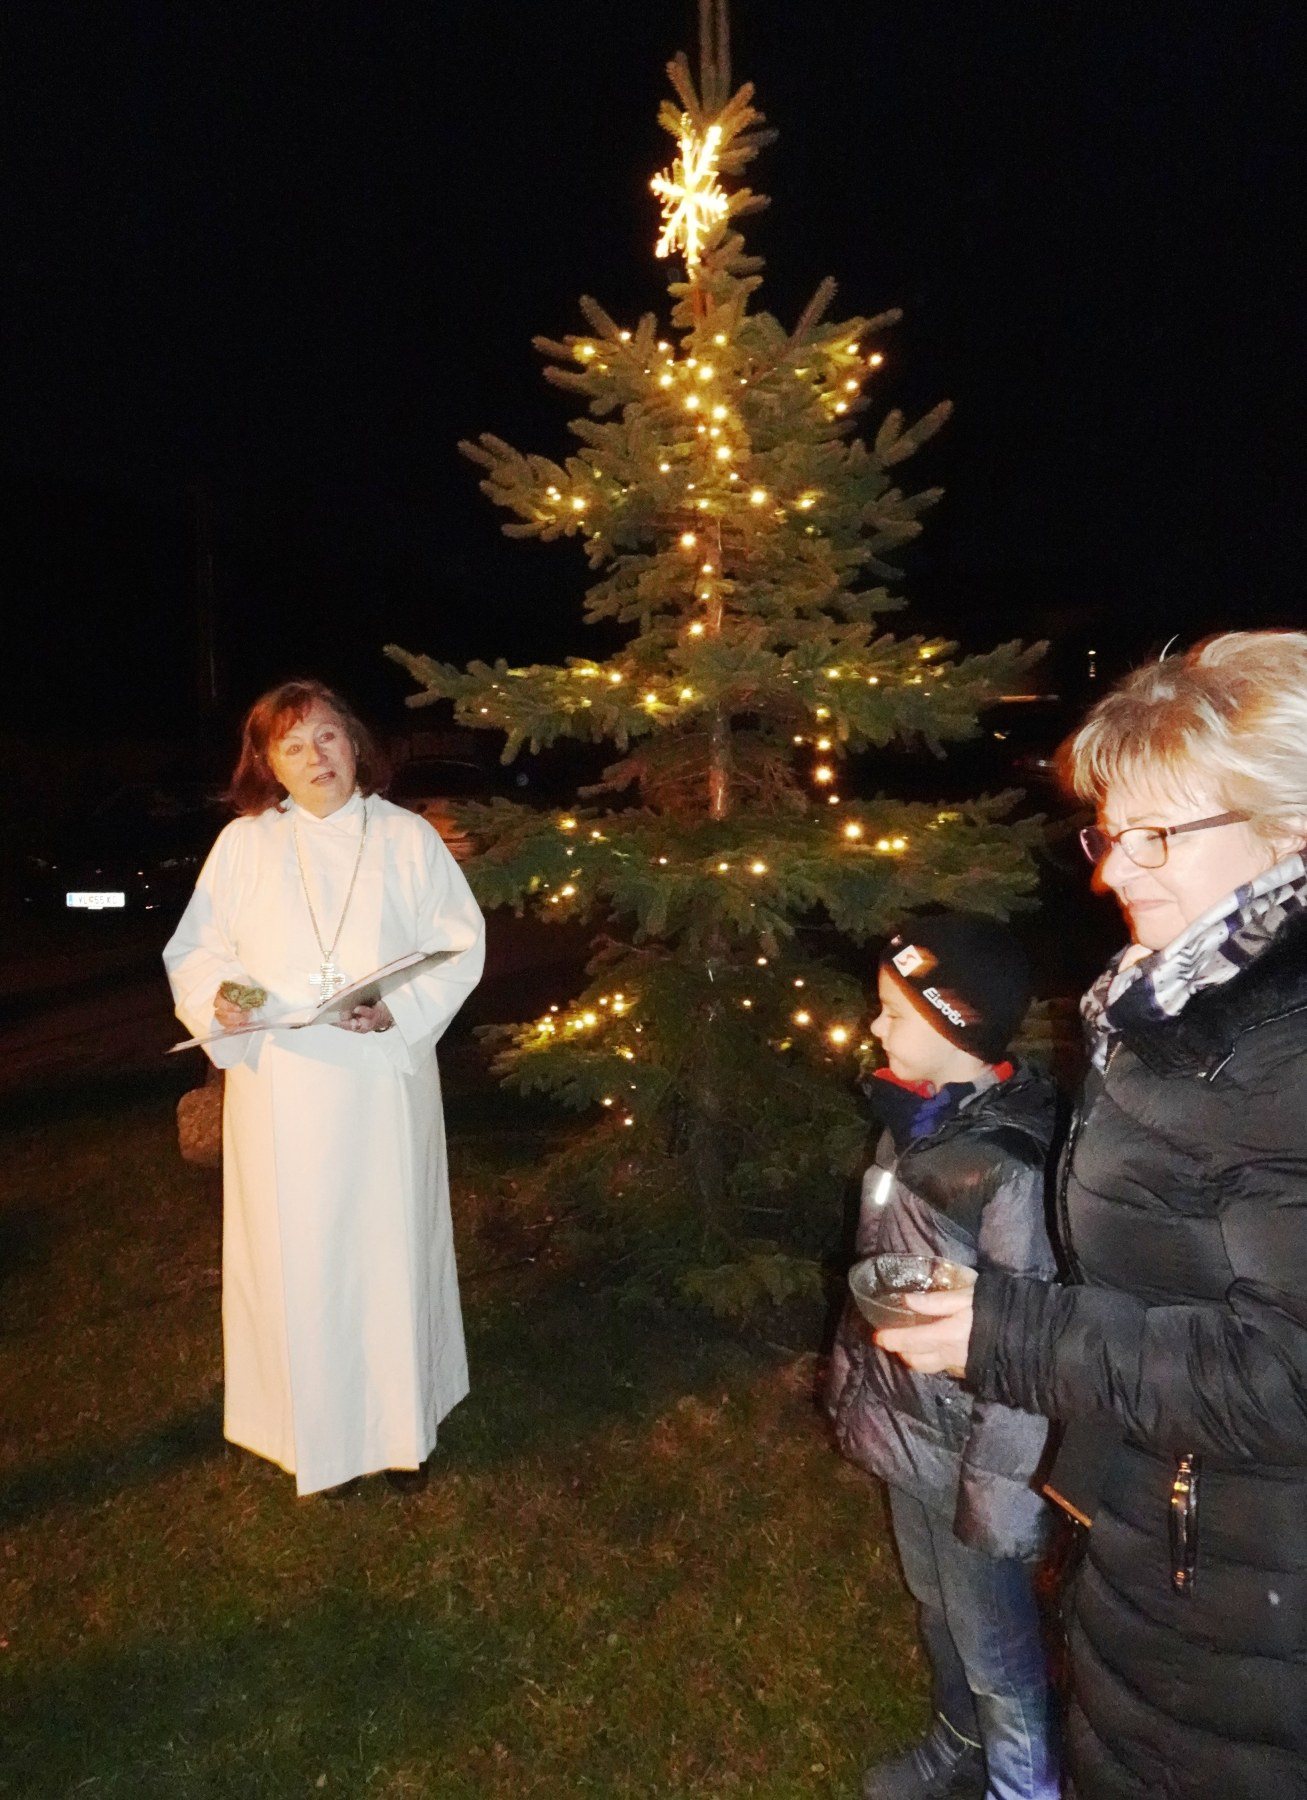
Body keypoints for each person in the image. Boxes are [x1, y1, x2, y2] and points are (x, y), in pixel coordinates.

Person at [878, 631, 1307, 1799]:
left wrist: (1009, 1334)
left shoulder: (1281, 1042)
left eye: (1158, 835)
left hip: (1259, 1625)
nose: (1115, 871)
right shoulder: (1166, 1005)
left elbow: (1287, 1372)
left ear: (1288, 829)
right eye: (1109, 834)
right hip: (1180, 1557)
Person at [164, 680, 485, 1498]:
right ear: (268, 763)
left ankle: (401, 1431)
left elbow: (458, 943)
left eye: (329, 739)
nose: (316, 759)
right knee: (300, 1263)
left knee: (389, 1255)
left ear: (356, 745)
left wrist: (401, 1009)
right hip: (286, 1091)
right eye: (294, 746)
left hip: (381, 1083)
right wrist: (224, 998)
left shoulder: (408, 839)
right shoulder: (243, 846)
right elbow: (196, 953)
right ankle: (315, 1434)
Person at [827, 912, 1060, 1800]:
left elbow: (1026, 1344)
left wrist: (1002, 1495)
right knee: (938, 1611)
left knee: (1000, 1653)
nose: (874, 1026)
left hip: (975, 1461)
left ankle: (1020, 1786)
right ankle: (959, 1744)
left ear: (953, 1023)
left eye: (892, 1010)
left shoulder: (1007, 1167)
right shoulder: (909, 1119)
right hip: (911, 1439)